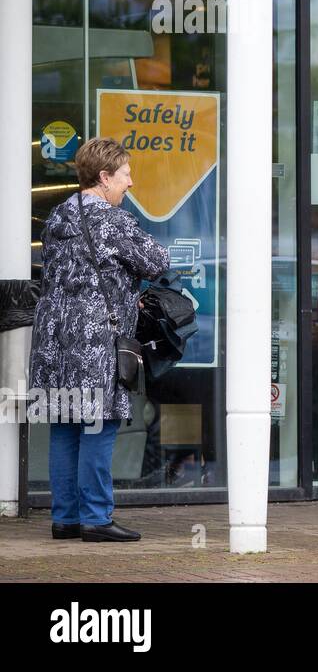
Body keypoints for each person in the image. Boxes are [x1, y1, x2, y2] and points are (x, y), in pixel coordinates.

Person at [30, 137, 170, 541]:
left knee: (64, 426)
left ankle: (66, 519)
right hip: (93, 340)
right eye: (125, 175)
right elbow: (158, 261)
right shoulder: (112, 220)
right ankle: (95, 517)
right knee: (96, 425)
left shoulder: (57, 215)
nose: (131, 183)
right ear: (104, 176)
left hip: (53, 341)